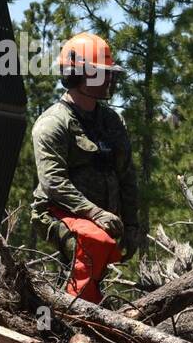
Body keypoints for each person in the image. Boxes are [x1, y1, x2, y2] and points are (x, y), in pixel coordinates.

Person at [30, 32, 141, 303]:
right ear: (79, 74)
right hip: (58, 212)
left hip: (100, 216)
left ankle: (82, 305)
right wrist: (94, 213)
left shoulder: (112, 121)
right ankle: (76, 315)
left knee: (97, 252)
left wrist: (132, 223)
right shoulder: (53, 123)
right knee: (93, 244)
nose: (110, 79)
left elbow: (126, 174)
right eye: (102, 73)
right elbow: (53, 182)